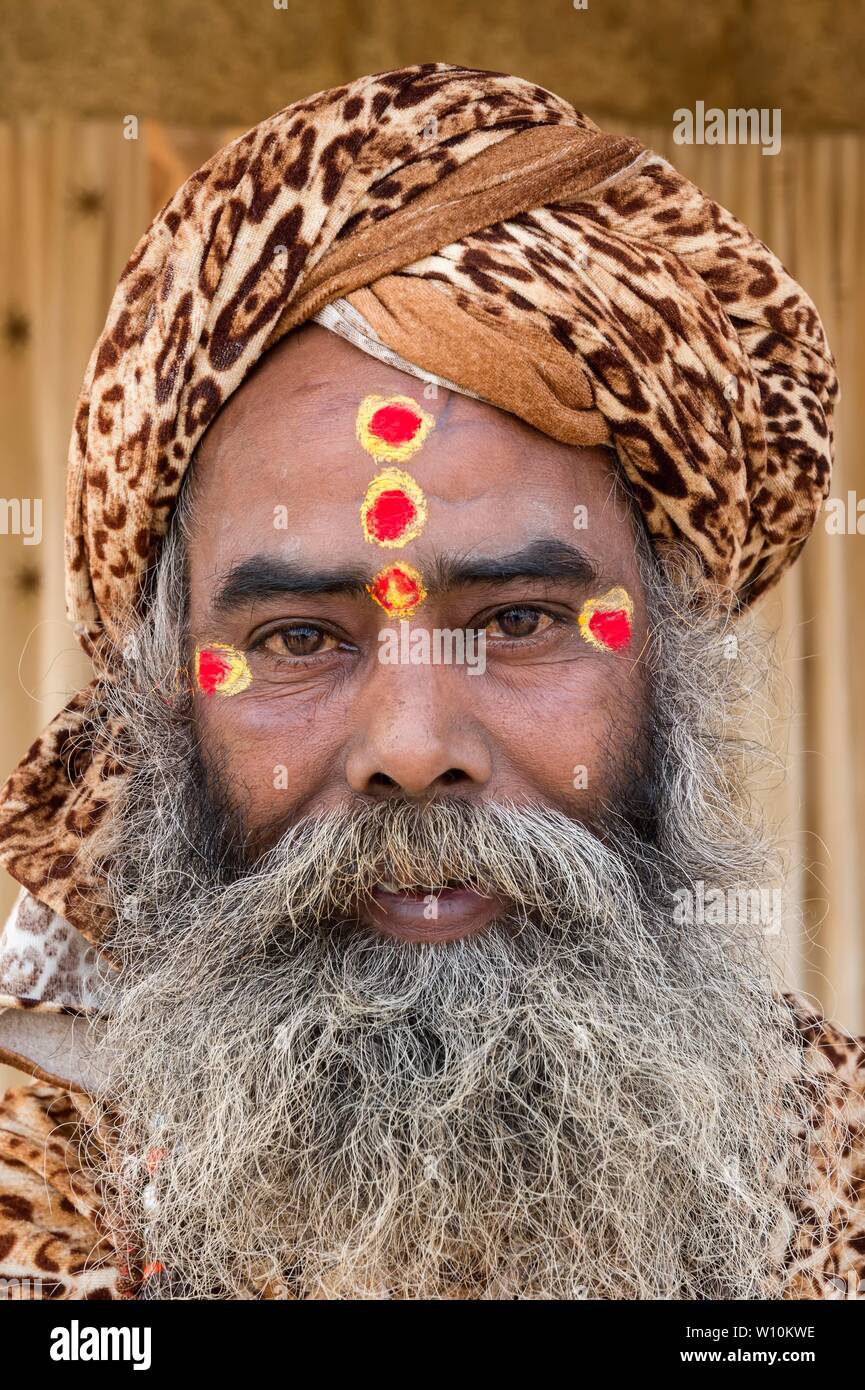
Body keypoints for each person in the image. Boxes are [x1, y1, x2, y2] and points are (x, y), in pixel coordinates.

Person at [0, 63, 862, 1301]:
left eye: (517, 619)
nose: (412, 745)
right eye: (299, 638)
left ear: (671, 671)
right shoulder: (37, 1191)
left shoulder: (836, 1199)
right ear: (158, 703)